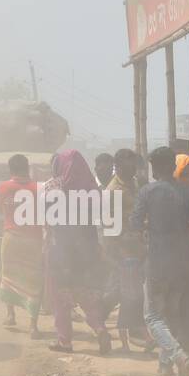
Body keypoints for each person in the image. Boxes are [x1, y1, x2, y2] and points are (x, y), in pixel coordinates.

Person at [131, 146, 189, 376]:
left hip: (158, 262)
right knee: (172, 314)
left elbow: (135, 226)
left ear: (153, 168)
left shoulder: (147, 192)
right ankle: (165, 367)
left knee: (152, 315)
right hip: (184, 262)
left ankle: (178, 356)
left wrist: (145, 248)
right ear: (173, 166)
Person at [44, 150, 111, 355]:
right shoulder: (93, 189)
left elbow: (47, 221)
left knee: (60, 295)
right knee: (86, 293)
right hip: (87, 251)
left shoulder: (52, 186)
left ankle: (64, 341)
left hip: (62, 250)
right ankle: (99, 328)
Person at [103, 148, 151, 352]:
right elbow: (107, 225)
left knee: (128, 291)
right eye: (130, 165)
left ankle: (103, 316)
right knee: (128, 292)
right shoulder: (112, 190)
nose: (134, 169)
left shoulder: (134, 184)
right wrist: (115, 251)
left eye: (135, 165)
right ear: (119, 166)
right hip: (123, 247)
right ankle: (130, 333)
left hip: (137, 245)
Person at [0, 154, 43, 337]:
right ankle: (33, 326)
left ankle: (10, 314)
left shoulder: (4, 187)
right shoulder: (38, 188)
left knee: (8, 274)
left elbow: (1, 209)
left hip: (12, 237)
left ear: (11, 169)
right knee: (33, 280)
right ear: (27, 168)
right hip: (34, 239)